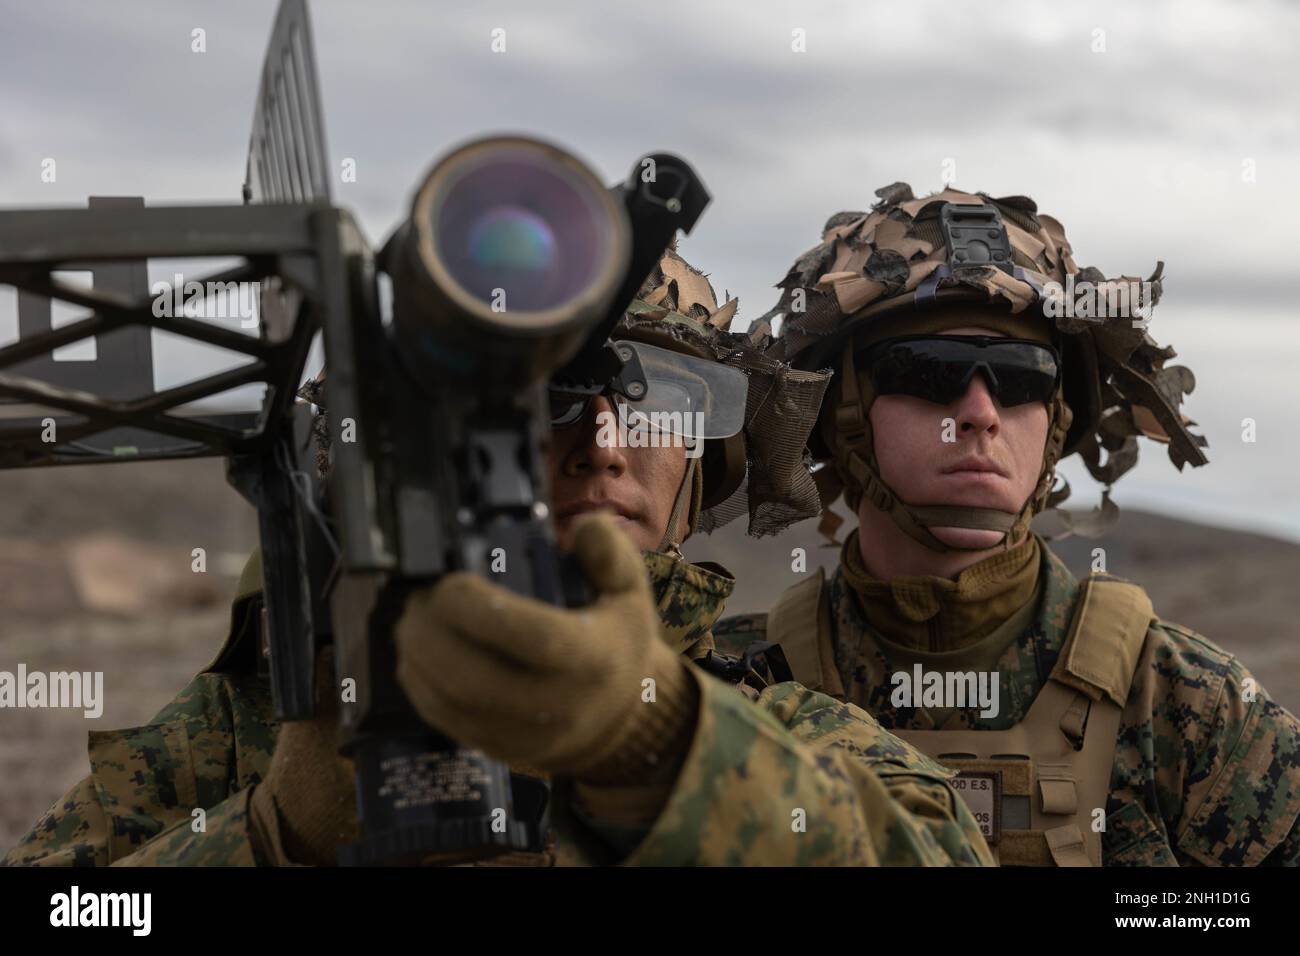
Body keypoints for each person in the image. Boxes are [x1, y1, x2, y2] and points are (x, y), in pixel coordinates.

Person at [4, 248, 993, 867]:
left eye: (659, 402)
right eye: (550, 392)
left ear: (699, 474)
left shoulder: (794, 730)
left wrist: (660, 752)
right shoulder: (257, 723)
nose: (603, 440)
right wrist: (276, 836)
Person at [716, 184, 1300, 866]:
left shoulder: (1189, 708)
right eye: (929, 370)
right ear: (840, 409)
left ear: (1056, 419)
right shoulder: (730, 690)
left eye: (1022, 377)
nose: (981, 412)